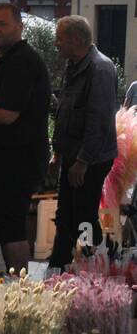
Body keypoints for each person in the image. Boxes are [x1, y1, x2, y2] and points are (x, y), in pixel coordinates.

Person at [0, 3, 52, 274]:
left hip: (16, 161)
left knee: (12, 230)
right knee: (7, 229)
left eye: (2, 24)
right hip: (5, 160)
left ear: (19, 27)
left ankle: (22, 293)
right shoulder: (8, 60)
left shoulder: (22, 61)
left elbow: (8, 114)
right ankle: (17, 288)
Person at [49, 16, 118, 269]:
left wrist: (82, 161)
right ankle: (60, 263)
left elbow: (98, 121)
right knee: (67, 212)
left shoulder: (99, 68)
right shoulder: (75, 65)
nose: (56, 43)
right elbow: (66, 110)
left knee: (84, 215)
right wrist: (59, 153)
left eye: (60, 38)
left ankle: (93, 258)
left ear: (76, 40)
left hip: (91, 158)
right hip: (74, 155)